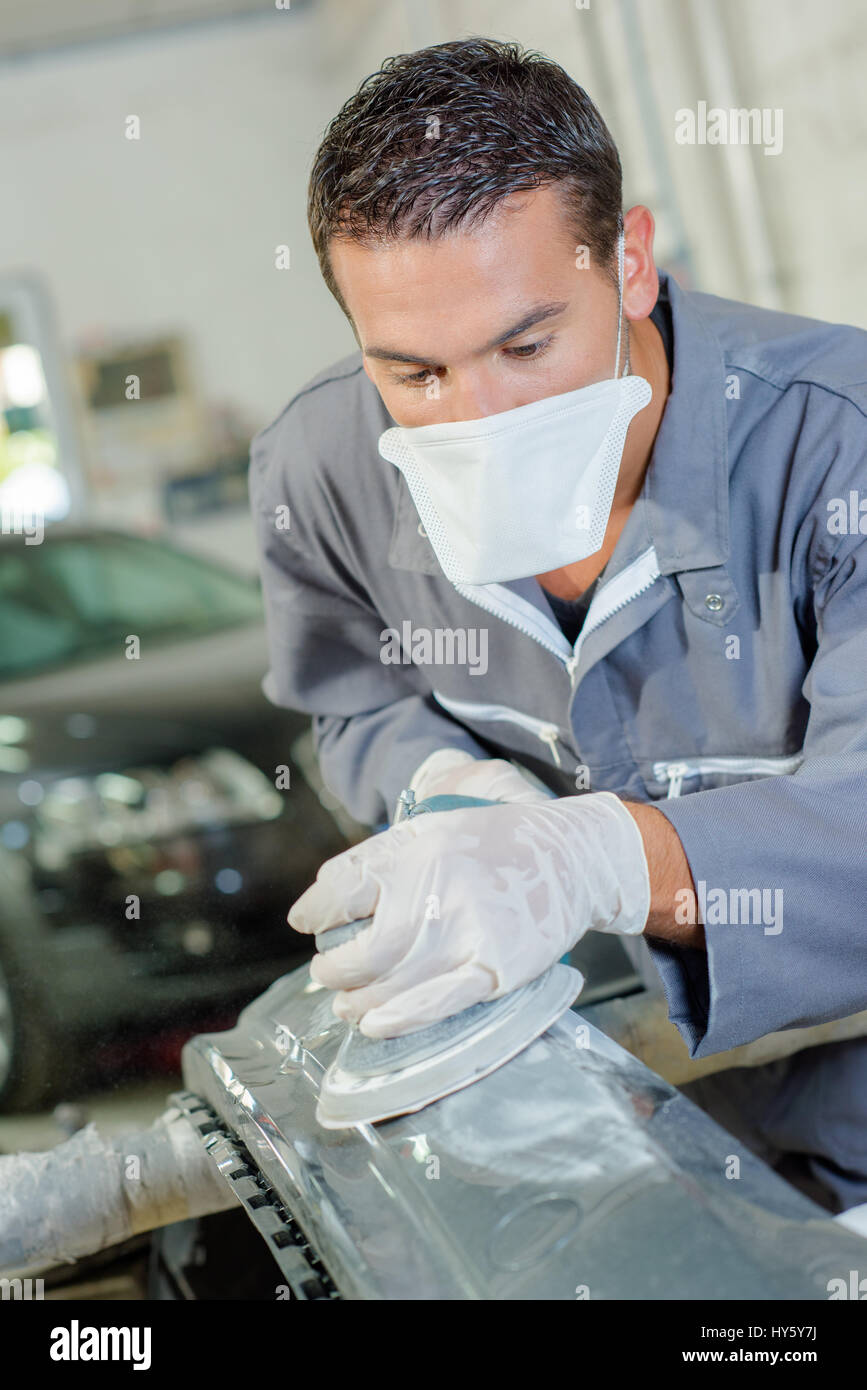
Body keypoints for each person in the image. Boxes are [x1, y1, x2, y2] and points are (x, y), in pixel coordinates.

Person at [249, 38, 867, 1212]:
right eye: (415, 372)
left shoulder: (839, 444)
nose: (478, 416)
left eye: (527, 345)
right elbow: (351, 694)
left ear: (629, 261)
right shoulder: (320, 466)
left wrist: (592, 860)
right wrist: (444, 783)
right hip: (569, 1126)